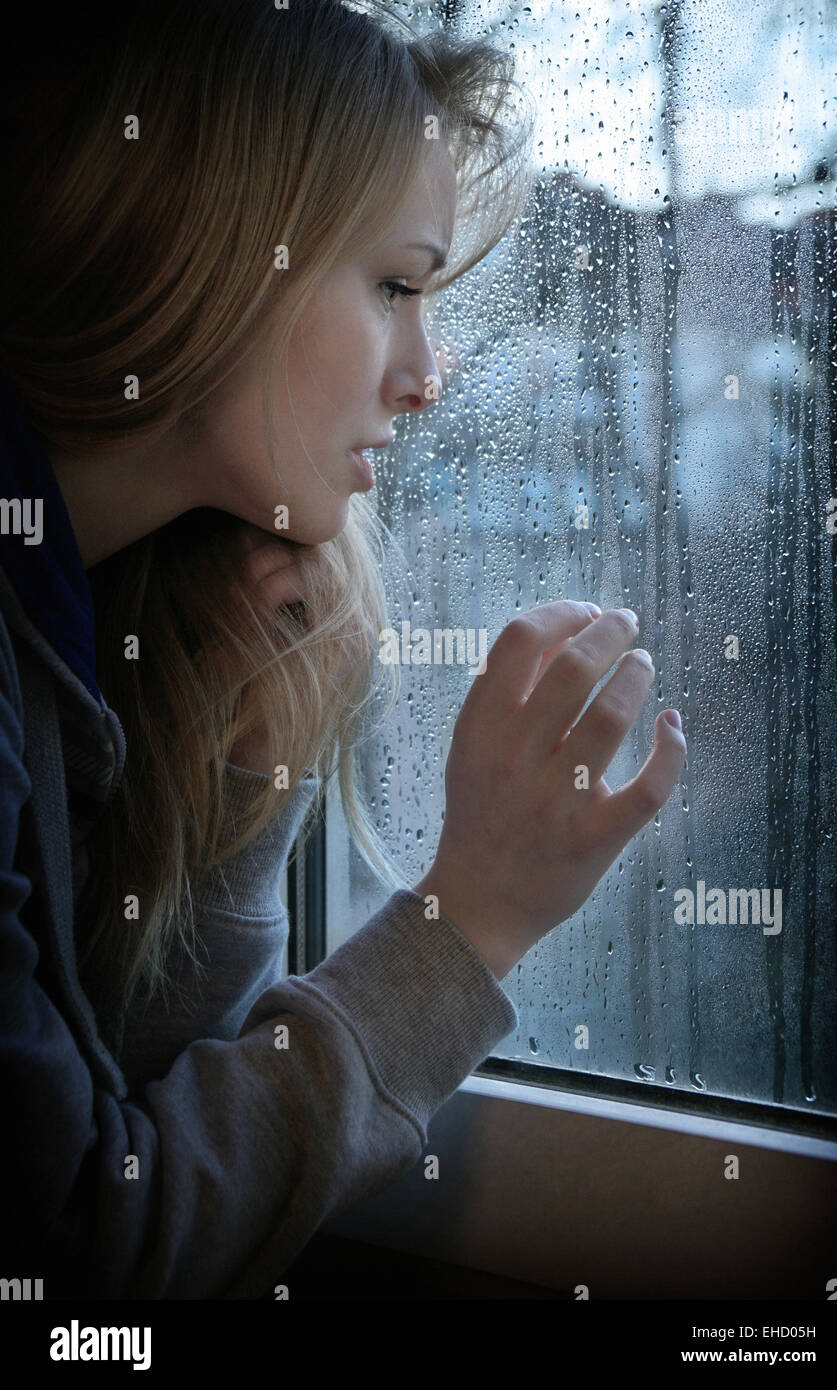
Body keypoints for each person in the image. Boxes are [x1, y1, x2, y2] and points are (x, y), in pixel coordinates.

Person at [0, 0, 686, 1298]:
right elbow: (74, 1261)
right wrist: (469, 916)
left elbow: (130, 1116)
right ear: (199, 247)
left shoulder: (86, 620)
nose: (426, 376)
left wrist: (246, 782)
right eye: (392, 283)